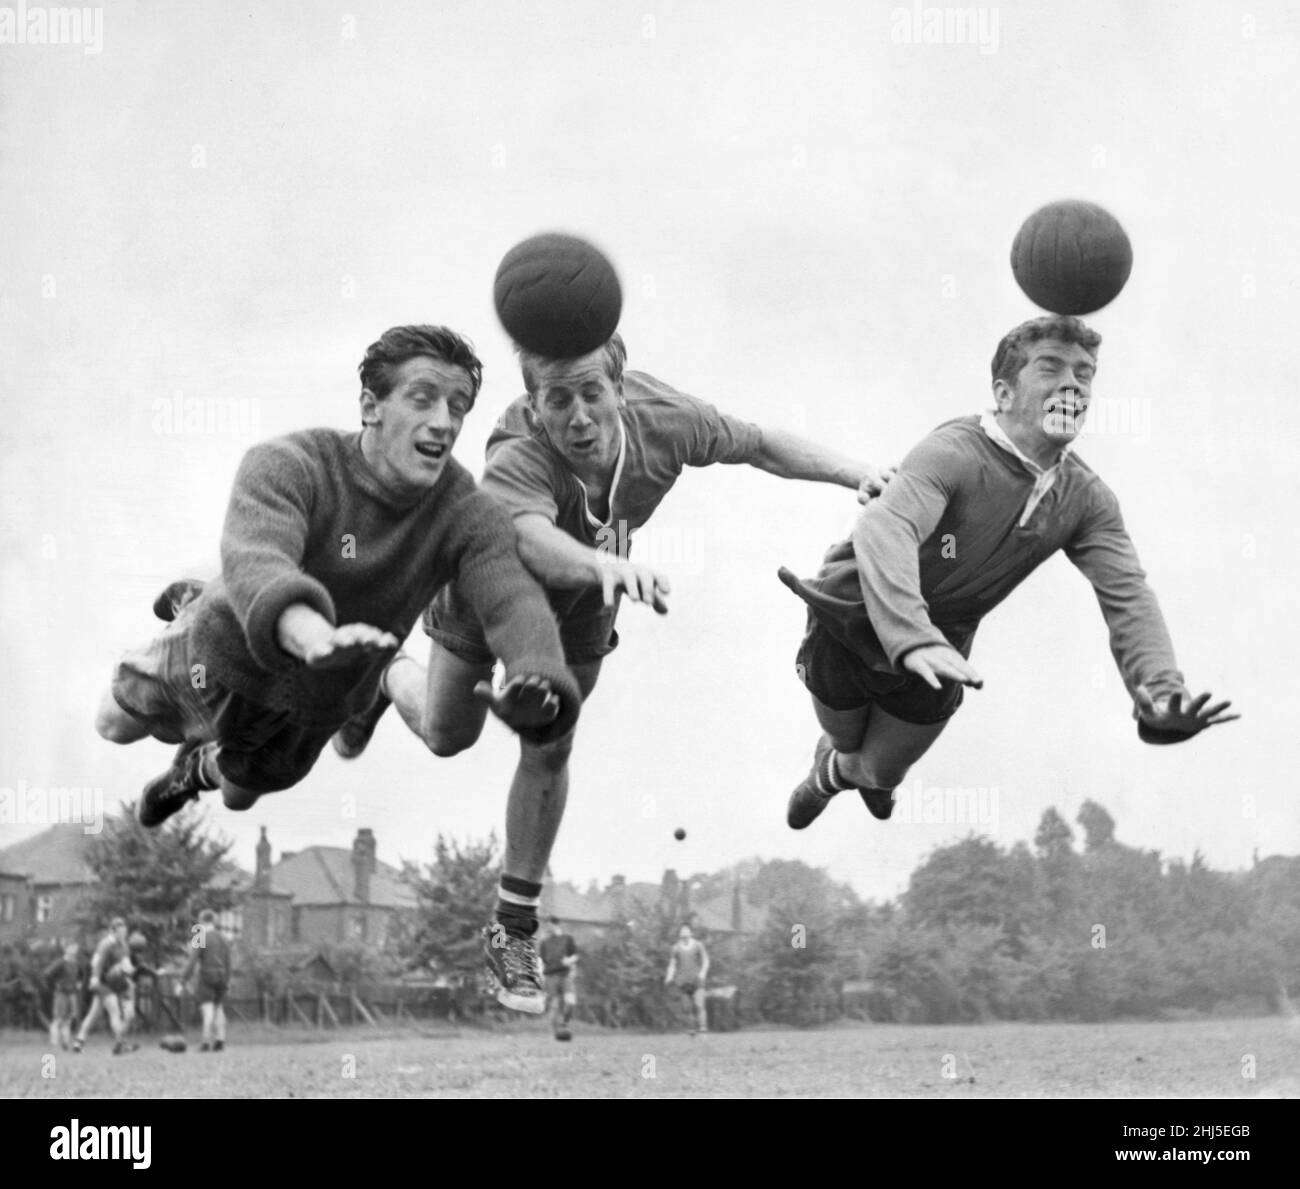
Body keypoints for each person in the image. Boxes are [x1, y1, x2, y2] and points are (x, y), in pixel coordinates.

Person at [341, 332, 892, 1013]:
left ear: (621, 388)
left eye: (591, 393)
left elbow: (760, 444)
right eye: (556, 400)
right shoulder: (517, 449)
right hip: (488, 585)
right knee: (446, 734)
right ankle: (385, 670)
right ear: (533, 404)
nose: (576, 417)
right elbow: (532, 541)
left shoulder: (667, 419)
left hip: (580, 608)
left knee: (551, 743)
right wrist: (605, 564)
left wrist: (856, 472)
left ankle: (512, 929)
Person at [92, 324, 582, 828]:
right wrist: (314, 639)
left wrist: (540, 683)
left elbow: (511, 601)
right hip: (222, 653)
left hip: (317, 701)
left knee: (238, 796)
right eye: (422, 399)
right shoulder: (288, 464)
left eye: (457, 406)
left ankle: (189, 775)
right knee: (112, 724)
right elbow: (261, 560)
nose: (443, 422)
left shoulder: (468, 516)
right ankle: (196, 599)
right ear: (372, 406)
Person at [779, 314, 1238, 829]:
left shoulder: (1088, 499)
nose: (1072, 384)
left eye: (1084, 374)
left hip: (945, 640)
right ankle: (834, 758)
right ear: (1003, 391)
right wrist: (912, 635)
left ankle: (837, 775)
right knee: (847, 738)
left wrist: (1159, 690)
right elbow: (886, 529)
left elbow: (1128, 593)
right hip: (856, 610)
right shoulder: (952, 451)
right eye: (1051, 368)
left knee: (882, 773)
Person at [73, 918, 137, 1055]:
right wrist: (95, 978)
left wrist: (131, 971)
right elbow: (96, 963)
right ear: (112, 931)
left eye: (124, 931)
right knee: (115, 1011)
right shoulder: (105, 945)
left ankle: (79, 1041)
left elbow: (126, 963)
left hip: (114, 982)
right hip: (102, 983)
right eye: (120, 932)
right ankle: (122, 1043)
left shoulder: (124, 945)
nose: (123, 934)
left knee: (94, 1014)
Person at [180, 909, 231, 1052]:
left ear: (201, 921)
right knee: (219, 1008)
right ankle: (220, 1040)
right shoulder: (223, 938)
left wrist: (183, 980)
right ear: (213, 920)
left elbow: (192, 961)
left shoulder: (200, 937)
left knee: (208, 1010)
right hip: (222, 977)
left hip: (207, 976)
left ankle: (205, 1042)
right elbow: (228, 962)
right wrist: (227, 981)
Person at [538, 915, 578, 1041]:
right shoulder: (544, 942)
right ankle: (557, 1034)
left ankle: (564, 1024)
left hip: (566, 975)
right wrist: (540, 977)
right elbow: (541, 961)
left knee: (570, 1002)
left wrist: (569, 961)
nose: (547, 928)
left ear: (555, 924)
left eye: (549, 925)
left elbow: (575, 956)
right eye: (546, 926)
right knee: (554, 1006)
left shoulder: (568, 939)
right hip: (550, 976)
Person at [664, 924, 710, 1035]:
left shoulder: (698, 945)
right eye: (682, 931)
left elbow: (706, 960)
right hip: (682, 981)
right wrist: (669, 976)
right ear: (680, 934)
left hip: (697, 980)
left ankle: (703, 1028)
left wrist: (703, 973)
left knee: (699, 1005)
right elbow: (672, 964)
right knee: (687, 1008)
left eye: (686, 930)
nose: (684, 932)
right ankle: (692, 1031)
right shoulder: (675, 948)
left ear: (690, 933)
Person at [43, 943, 81, 1051]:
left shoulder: (75, 963)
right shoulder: (60, 963)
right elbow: (47, 973)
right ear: (66, 949)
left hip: (71, 994)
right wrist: (57, 985)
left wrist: (78, 983)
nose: (75, 949)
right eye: (72, 947)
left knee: (68, 1020)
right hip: (61, 994)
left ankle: (65, 1043)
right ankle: (54, 1043)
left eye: (75, 947)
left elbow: (79, 977)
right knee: (58, 1019)